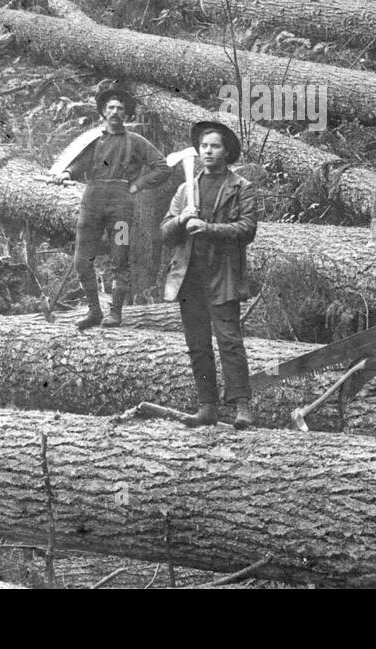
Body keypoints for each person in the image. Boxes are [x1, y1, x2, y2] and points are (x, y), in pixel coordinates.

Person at [161, 120, 258, 428]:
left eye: (214, 146)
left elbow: (248, 229)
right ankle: (207, 406)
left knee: (229, 340)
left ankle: (242, 406)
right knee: (197, 343)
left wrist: (209, 228)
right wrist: (181, 221)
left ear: (226, 151)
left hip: (223, 273)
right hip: (189, 275)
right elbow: (165, 232)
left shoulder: (242, 187)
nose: (208, 151)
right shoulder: (184, 189)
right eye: (204, 146)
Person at [54, 86, 171, 329]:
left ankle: (115, 312)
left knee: (120, 256)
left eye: (120, 108)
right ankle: (94, 311)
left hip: (121, 205)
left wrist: (138, 185)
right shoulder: (93, 140)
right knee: (81, 260)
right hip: (92, 202)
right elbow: (78, 164)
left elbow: (162, 167)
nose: (115, 112)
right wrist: (67, 173)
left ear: (126, 114)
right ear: (103, 113)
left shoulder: (137, 142)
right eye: (111, 108)